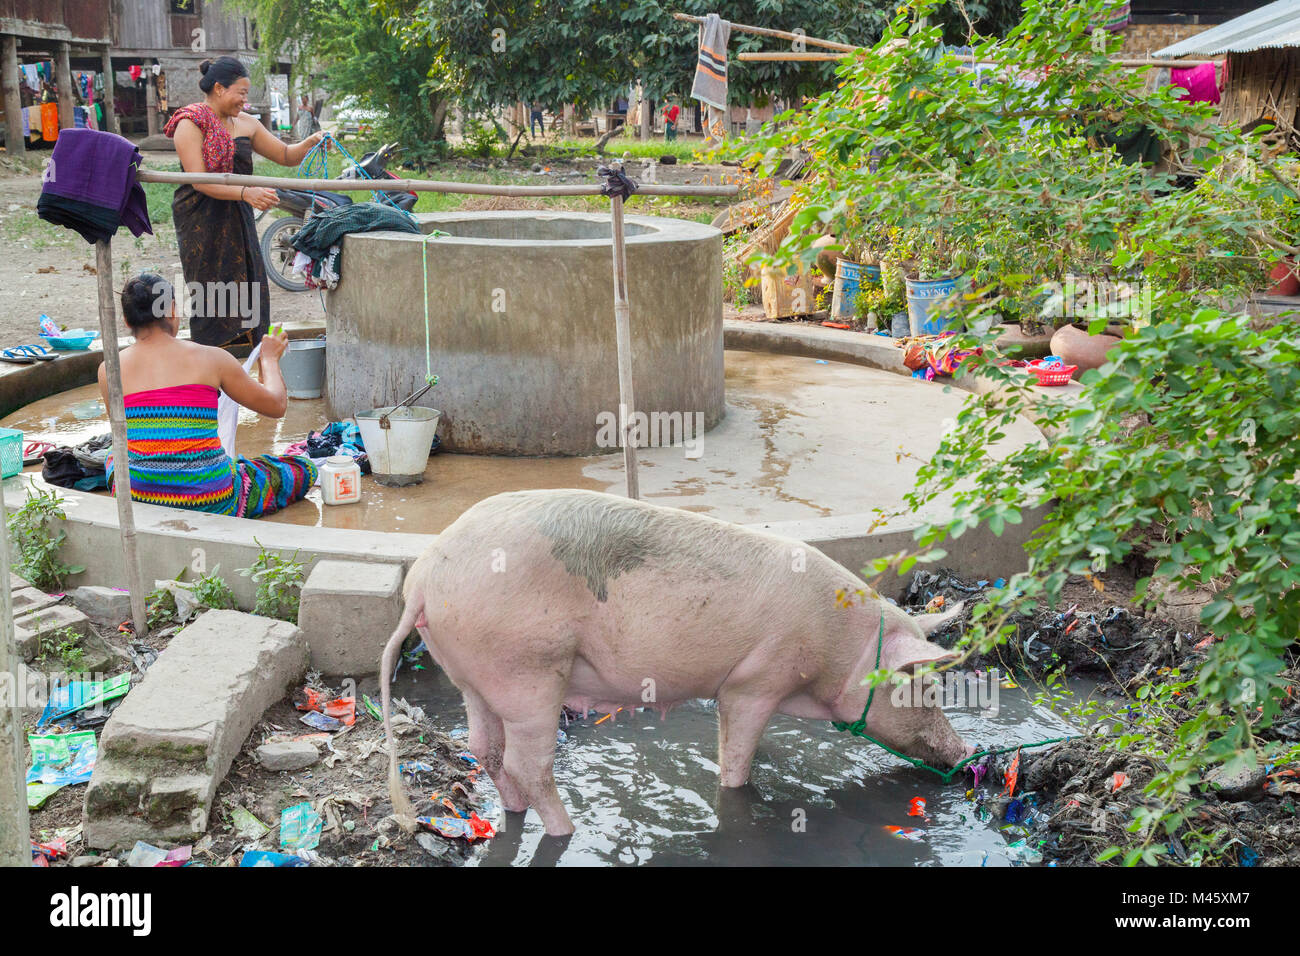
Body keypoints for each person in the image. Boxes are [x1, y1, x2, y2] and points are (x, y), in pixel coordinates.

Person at [99, 274, 317, 518]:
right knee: (300, 469)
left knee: (112, 456)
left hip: (136, 494)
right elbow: (276, 405)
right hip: (209, 497)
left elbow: (124, 435)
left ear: (127, 320)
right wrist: (268, 358)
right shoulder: (212, 358)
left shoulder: (109, 369)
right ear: (171, 310)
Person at [165, 56, 324, 348]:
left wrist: (311, 142)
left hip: (237, 218)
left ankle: (247, 368)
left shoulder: (247, 123)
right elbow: (199, 181)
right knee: (210, 291)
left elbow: (287, 156)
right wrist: (245, 192)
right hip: (201, 221)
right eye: (241, 92)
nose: (244, 99)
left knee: (249, 286)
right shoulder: (190, 123)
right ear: (219, 88)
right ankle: (209, 369)